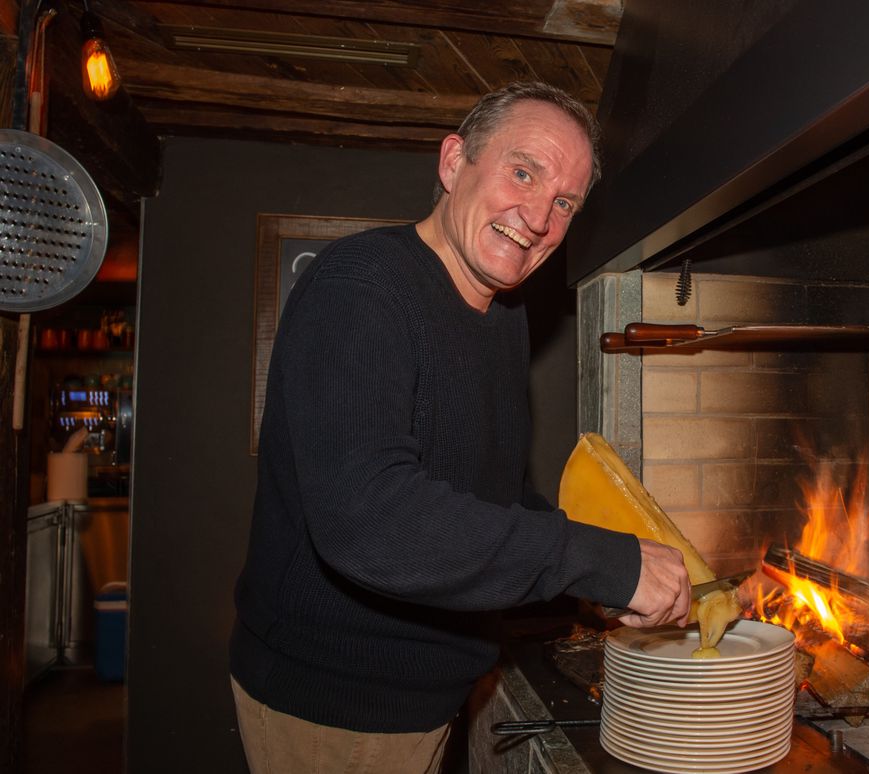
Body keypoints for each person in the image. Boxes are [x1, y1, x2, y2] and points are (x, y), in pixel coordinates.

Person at [229, 81, 692, 773]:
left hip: (427, 691)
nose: (537, 216)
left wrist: (602, 569)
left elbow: (489, 495)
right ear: (453, 164)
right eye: (522, 171)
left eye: (564, 202)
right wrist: (603, 562)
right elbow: (370, 519)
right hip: (335, 709)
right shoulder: (361, 286)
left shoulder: (502, 317)